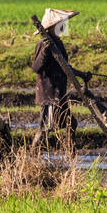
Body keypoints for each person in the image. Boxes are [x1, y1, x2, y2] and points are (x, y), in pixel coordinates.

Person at [30, 8, 89, 148]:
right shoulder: (44, 44)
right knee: (45, 128)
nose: (64, 26)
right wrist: (45, 51)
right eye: (62, 23)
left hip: (59, 93)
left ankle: (70, 152)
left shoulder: (58, 43)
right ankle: (32, 153)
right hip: (49, 94)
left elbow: (65, 66)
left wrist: (82, 74)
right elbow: (36, 68)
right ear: (52, 27)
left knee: (71, 123)